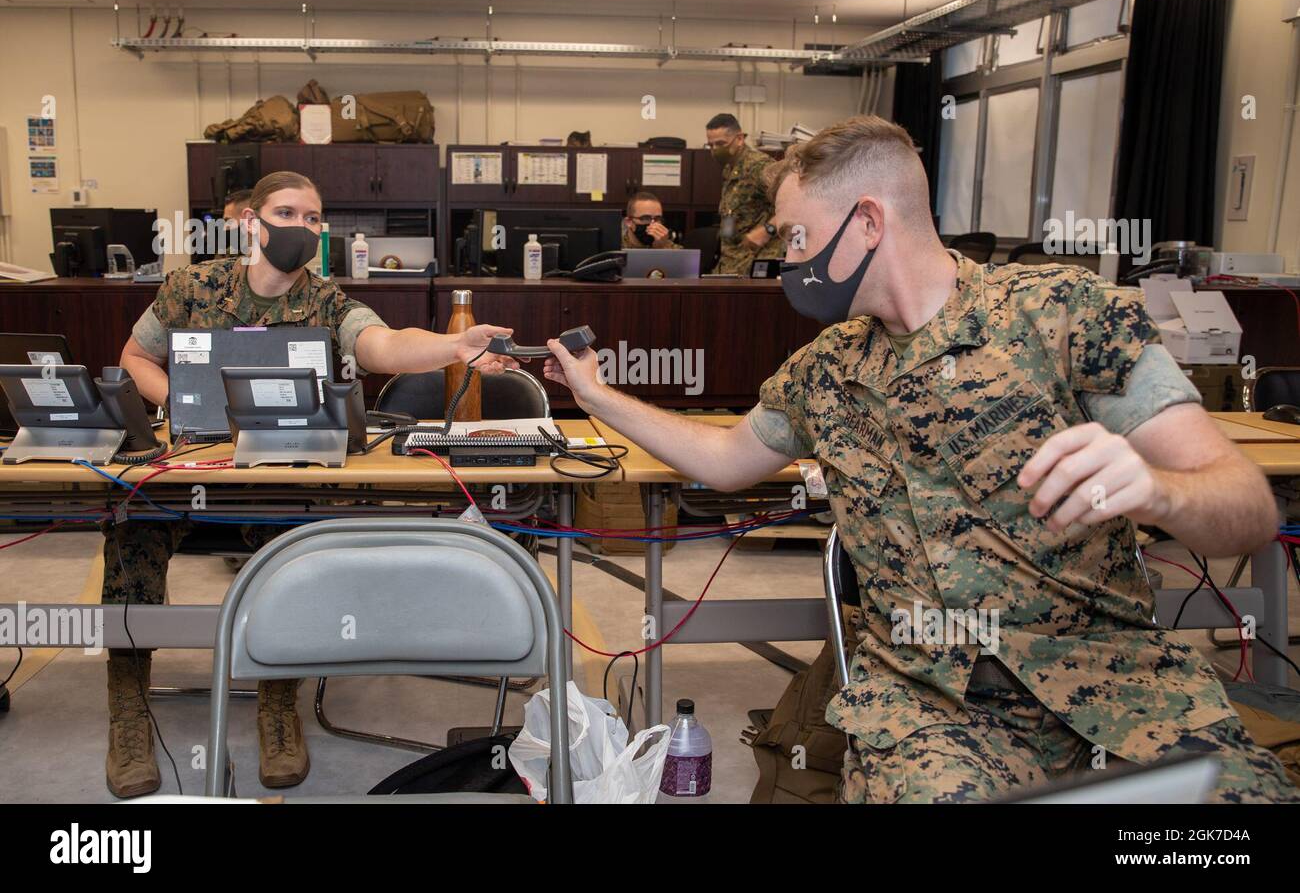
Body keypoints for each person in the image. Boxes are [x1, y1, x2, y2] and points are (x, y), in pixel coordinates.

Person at [544, 115, 1298, 803]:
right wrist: (598, 397)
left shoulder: (1066, 316)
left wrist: (1158, 491)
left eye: (798, 238)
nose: (788, 262)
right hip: (932, 707)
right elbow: (723, 459)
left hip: (1119, 685)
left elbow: (1245, 511)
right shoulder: (827, 368)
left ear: (867, 222)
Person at [103, 170, 517, 799]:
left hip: (281, 478)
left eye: (314, 218)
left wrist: (452, 345)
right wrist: (187, 408)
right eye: (288, 212)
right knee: (129, 525)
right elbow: (135, 357)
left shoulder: (325, 300)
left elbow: (382, 344)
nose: (303, 227)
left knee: (297, 546)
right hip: (192, 469)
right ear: (252, 221)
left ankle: (277, 703)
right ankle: (128, 712)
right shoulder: (192, 286)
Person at [705, 112, 781, 276]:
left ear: (739, 138)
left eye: (721, 144)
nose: (715, 150)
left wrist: (766, 231)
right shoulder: (728, 167)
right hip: (732, 261)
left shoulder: (759, 166)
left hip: (756, 261)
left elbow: (795, 203)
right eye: (711, 145)